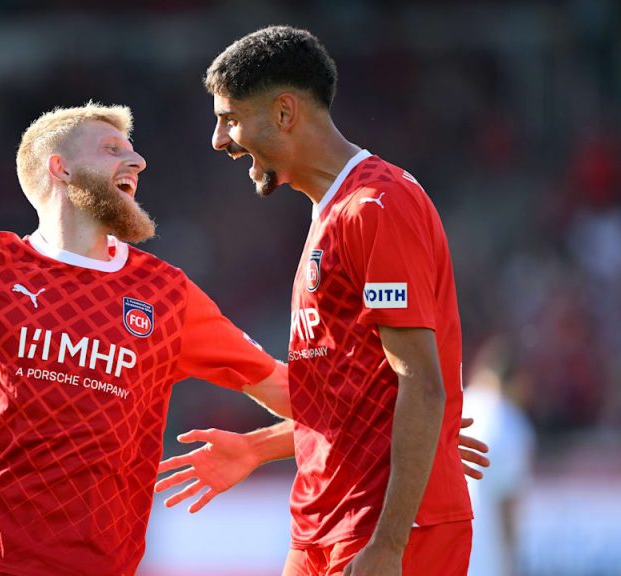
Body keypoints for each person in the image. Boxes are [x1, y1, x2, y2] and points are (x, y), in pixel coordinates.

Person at [0, 102, 486, 576]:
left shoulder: (165, 295)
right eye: (113, 148)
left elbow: (303, 394)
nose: (135, 161)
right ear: (59, 167)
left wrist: (414, 429)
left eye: (135, 150)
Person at [159, 26, 476, 576]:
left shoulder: (377, 207)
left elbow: (421, 384)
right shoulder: (333, 212)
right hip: (323, 521)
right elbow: (350, 402)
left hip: (386, 529)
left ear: (285, 113)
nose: (219, 139)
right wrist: (257, 448)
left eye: (230, 118)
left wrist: (390, 544)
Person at [462, 338, 534, 576]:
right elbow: (507, 503)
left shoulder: (457, 406)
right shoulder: (510, 422)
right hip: (487, 560)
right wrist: (512, 563)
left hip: (446, 553)